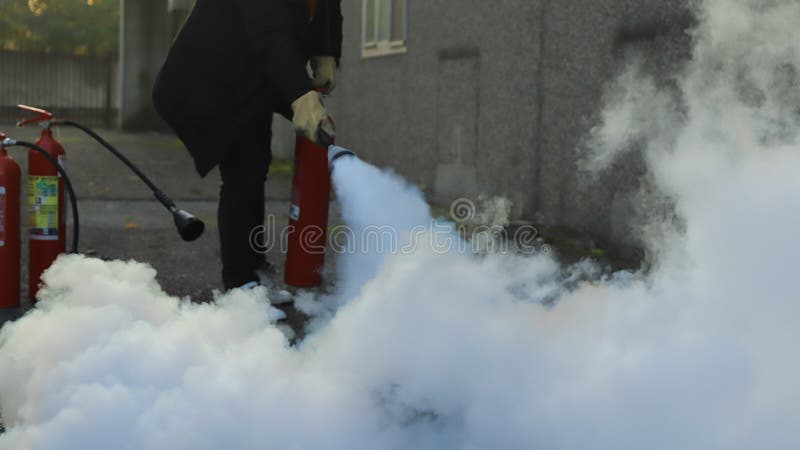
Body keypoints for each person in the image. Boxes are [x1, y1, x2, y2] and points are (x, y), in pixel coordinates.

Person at [152, 0, 342, 292]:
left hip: (254, 74)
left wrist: (327, 50)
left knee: (254, 169)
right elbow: (268, 29)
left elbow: (327, 7)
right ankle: (240, 286)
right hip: (211, 78)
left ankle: (252, 270)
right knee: (242, 174)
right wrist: (300, 95)